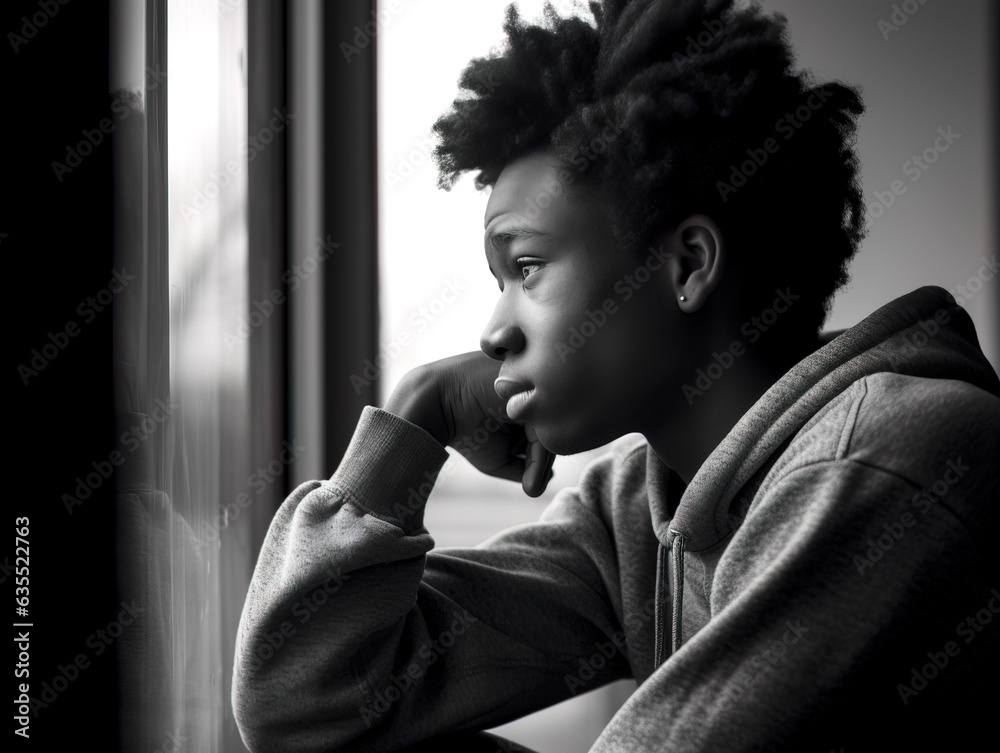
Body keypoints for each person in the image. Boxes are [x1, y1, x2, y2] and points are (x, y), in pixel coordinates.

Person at [233, 1, 1000, 750]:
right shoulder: (637, 508)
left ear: (688, 265)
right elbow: (304, 706)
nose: (493, 329)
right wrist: (413, 421)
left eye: (526, 268)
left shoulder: (883, 462)